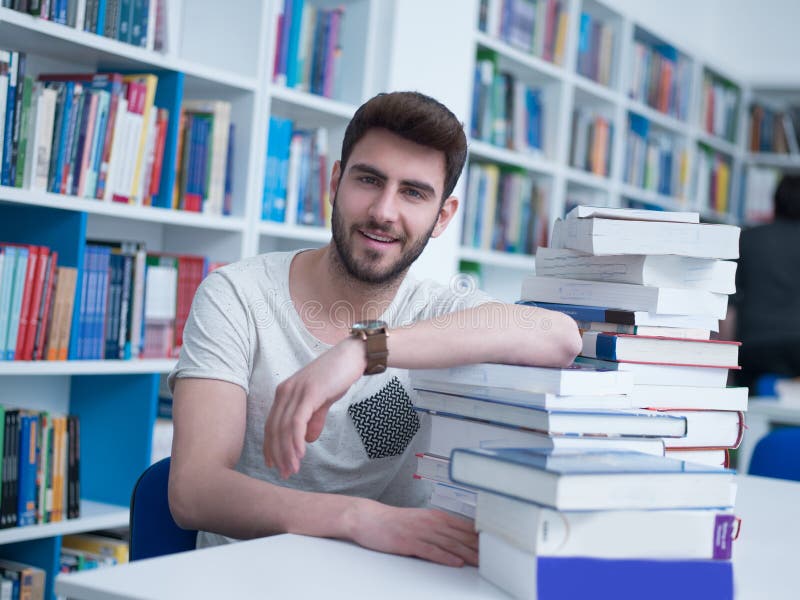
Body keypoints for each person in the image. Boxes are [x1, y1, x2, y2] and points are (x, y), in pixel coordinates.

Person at [167, 91, 582, 567]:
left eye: (413, 192)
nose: (385, 211)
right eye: (369, 180)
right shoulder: (237, 295)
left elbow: (560, 337)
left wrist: (365, 349)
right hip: (241, 579)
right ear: (336, 182)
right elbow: (194, 492)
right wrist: (358, 519)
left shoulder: (439, 310)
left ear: (442, 216)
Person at [726, 174, 800, 393]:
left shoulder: (746, 240)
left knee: (752, 399)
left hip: (754, 351)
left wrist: (725, 363)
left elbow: (728, 310)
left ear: (775, 202)